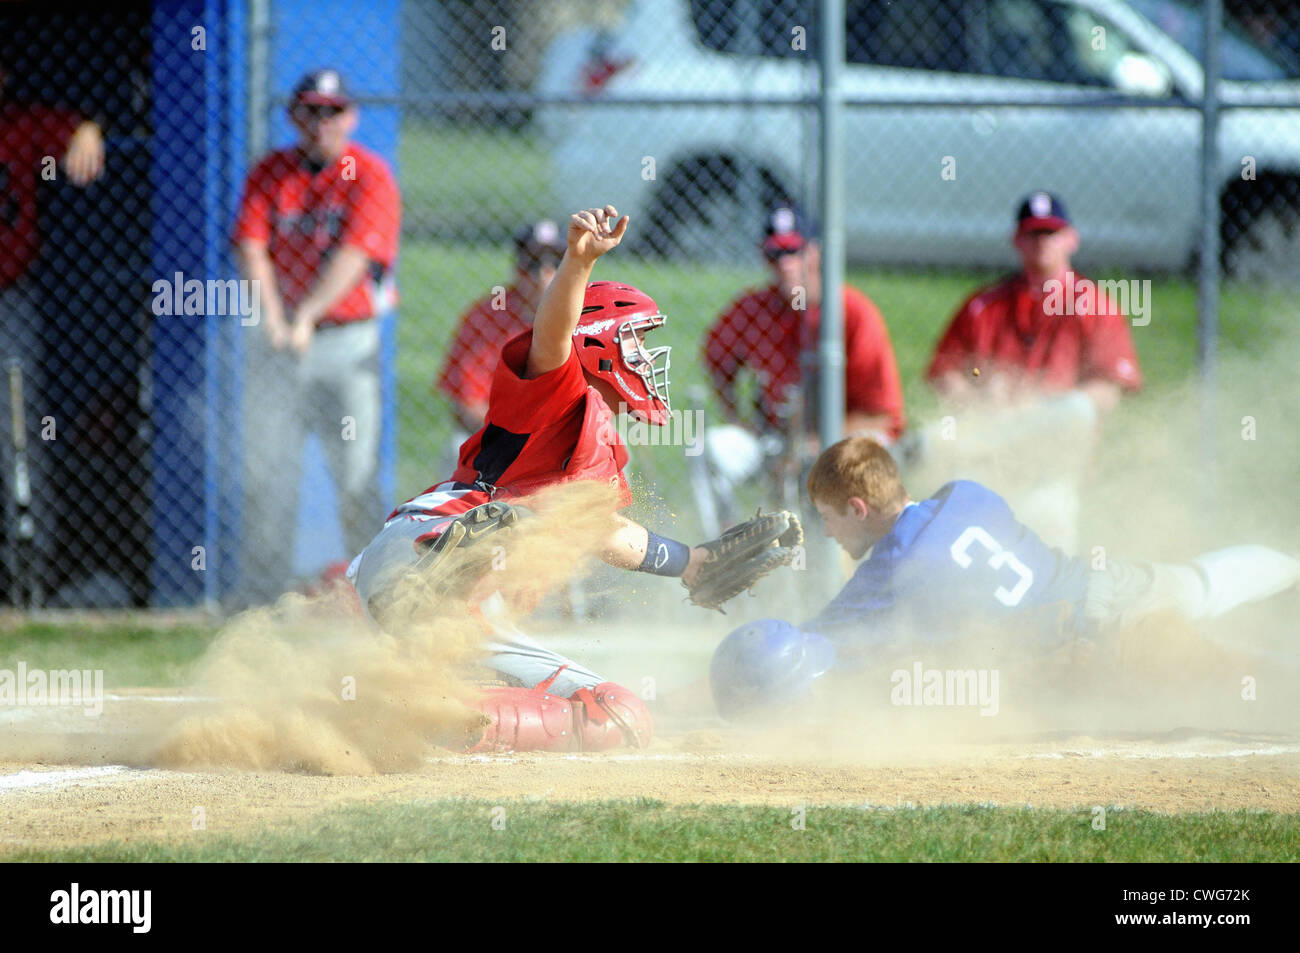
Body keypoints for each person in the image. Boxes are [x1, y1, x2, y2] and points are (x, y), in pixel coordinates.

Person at [348, 205, 716, 752]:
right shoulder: (559, 388)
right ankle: (430, 663)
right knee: (613, 714)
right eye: (632, 341)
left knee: (616, 713)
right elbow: (553, 334)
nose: (644, 355)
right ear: (598, 343)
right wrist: (578, 263)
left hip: (433, 598)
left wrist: (693, 564)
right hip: (424, 549)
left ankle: (415, 701)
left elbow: (605, 533)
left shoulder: (604, 449)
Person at [709, 437, 1300, 719]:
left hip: (1114, 639)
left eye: (831, 519)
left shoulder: (891, 570)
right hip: (1116, 584)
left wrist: (716, 690)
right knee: (1204, 584)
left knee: (1253, 686)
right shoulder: (965, 494)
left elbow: (797, 654)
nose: (830, 535)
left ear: (859, 509)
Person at [232, 68, 401, 605]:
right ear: (294, 116)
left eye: (332, 111)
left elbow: (356, 255)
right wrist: (275, 318)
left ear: (349, 117)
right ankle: (262, 605)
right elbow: (251, 246)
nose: (320, 122)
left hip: (347, 343)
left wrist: (302, 316)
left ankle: (374, 600)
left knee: (356, 479)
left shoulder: (370, 175)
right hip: (279, 346)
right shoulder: (271, 173)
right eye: (310, 110)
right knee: (268, 479)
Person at [917, 191, 1143, 553]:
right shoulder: (984, 305)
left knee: (1047, 521)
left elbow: (1106, 392)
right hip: (990, 456)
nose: (1042, 243)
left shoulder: (1095, 305)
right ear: (1016, 240)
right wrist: (980, 397)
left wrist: (1040, 409)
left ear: (1072, 238)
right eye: (1033, 234)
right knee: (953, 504)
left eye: (1050, 233)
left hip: (1052, 463)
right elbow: (945, 373)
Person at [699, 205, 904, 533]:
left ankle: (853, 558)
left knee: (870, 448)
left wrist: (818, 443)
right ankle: (730, 553)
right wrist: (738, 420)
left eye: (793, 251)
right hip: (775, 442)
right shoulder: (754, 309)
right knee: (709, 448)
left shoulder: (854, 313)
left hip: (842, 440)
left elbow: (883, 417)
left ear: (815, 252)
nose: (784, 264)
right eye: (774, 254)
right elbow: (715, 357)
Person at [0, 56, 105, 605]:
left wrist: (87, 132)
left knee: (19, 439)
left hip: (10, 296)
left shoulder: (19, 129)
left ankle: (30, 576)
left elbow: (77, 126)